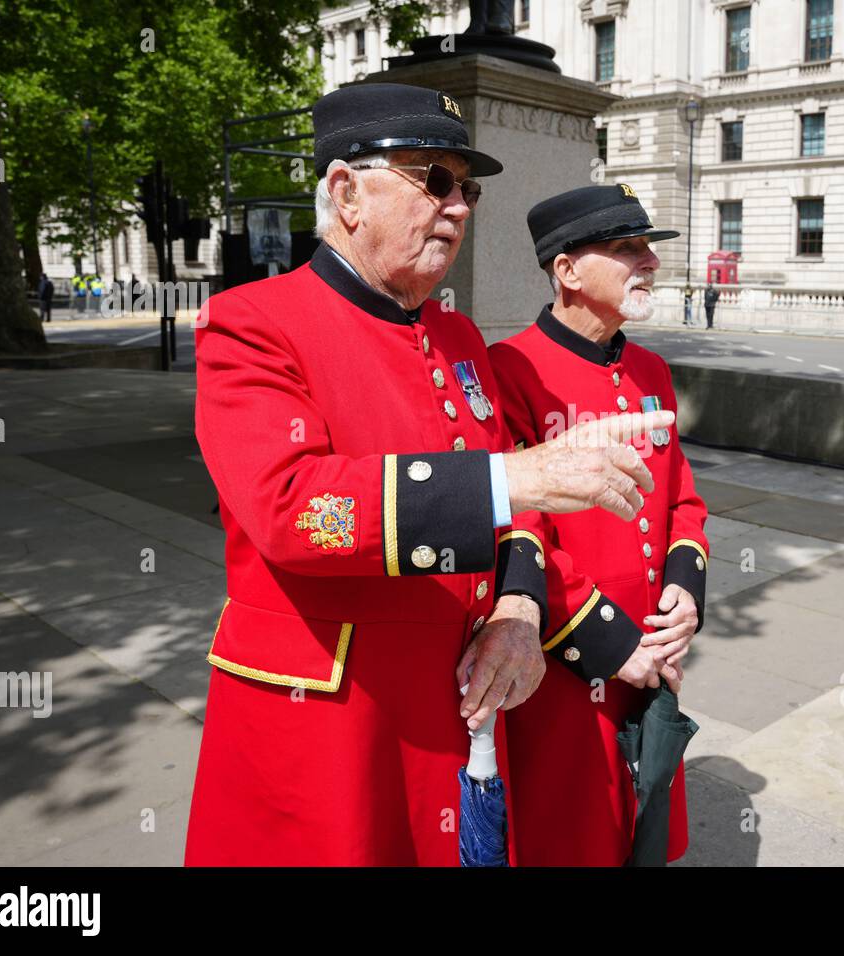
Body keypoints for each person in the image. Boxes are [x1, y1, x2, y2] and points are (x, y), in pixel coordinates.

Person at [183, 84, 674, 867]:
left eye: (467, 188)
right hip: (336, 720)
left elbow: (521, 510)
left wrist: (518, 606)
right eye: (434, 180)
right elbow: (293, 511)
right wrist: (510, 480)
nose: (459, 207)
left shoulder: (456, 335)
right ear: (346, 191)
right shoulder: (252, 323)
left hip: (462, 703)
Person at [488, 184, 709, 865]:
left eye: (647, 248)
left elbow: (683, 502)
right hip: (565, 662)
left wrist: (685, 592)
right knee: (570, 834)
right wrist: (612, 643)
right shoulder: (510, 370)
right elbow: (516, 532)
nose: (649, 262)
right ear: (568, 271)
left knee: (637, 827)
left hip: (654, 647)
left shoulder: (650, 369)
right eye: (626, 249)